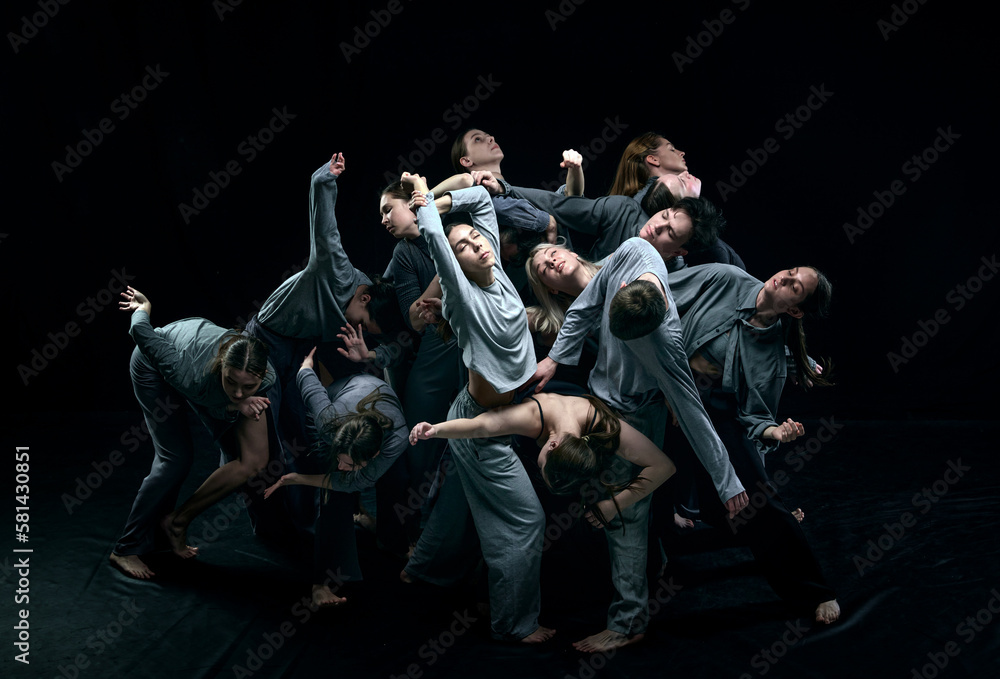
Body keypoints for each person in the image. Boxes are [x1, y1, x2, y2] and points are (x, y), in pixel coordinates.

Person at [399, 172, 554, 643]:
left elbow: (482, 201)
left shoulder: (501, 275)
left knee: (456, 505)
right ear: (457, 267)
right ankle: (514, 624)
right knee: (527, 521)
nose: (476, 245)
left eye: (475, 238)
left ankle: (421, 569)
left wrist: (444, 206)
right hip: (483, 429)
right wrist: (425, 204)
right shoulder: (464, 301)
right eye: (464, 247)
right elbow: (438, 249)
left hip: (484, 413)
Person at [409, 392, 676, 652]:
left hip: (596, 412)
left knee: (624, 517)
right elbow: (480, 425)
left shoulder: (606, 426)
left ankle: (626, 616)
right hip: (550, 404)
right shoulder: (531, 417)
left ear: (553, 445)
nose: (540, 467)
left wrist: (613, 505)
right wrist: (434, 429)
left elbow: (664, 467)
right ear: (552, 445)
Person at [658, 262, 840, 623]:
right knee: (695, 501)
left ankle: (814, 591)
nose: (785, 278)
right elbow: (663, 289)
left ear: (795, 309)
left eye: (795, 287)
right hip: (666, 392)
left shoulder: (771, 354)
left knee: (754, 500)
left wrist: (777, 432)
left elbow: (755, 416)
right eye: (791, 271)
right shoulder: (727, 278)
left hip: (719, 412)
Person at [244, 152, 405, 542]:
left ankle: (308, 522)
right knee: (263, 442)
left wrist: (366, 355)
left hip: (299, 347)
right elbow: (325, 229)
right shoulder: (338, 272)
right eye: (362, 322)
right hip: (264, 341)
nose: (355, 327)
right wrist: (325, 180)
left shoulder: (357, 309)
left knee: (304, 432)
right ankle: (269, 529)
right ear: (364, 298)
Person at [109, 286, 275, 580]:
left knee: (250, 457)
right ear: (222, 366)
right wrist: (144, 308)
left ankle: (162, 535)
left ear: (261, 376)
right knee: (175, 459)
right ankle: (126, 548)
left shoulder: (266, 373)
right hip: (152, 364)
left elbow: (230, 404)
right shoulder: (190, 375)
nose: (239, 392)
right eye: (231, 382)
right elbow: (141, 334)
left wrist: (237, 403)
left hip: (193, 348)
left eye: (248, 387)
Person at [262, 347, 408, 607]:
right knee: (334, 495)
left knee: (395, 479)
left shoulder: (396, 440)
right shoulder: (329, 421)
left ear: (374, 454)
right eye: (341, 458)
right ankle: (321, 583)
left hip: (380, 402)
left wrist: (297, 478)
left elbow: (356, 480)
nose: (341, 466)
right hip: (342, 393)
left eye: (349, 463)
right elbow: (306, 379)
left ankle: (390, 538)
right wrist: (307, 361)